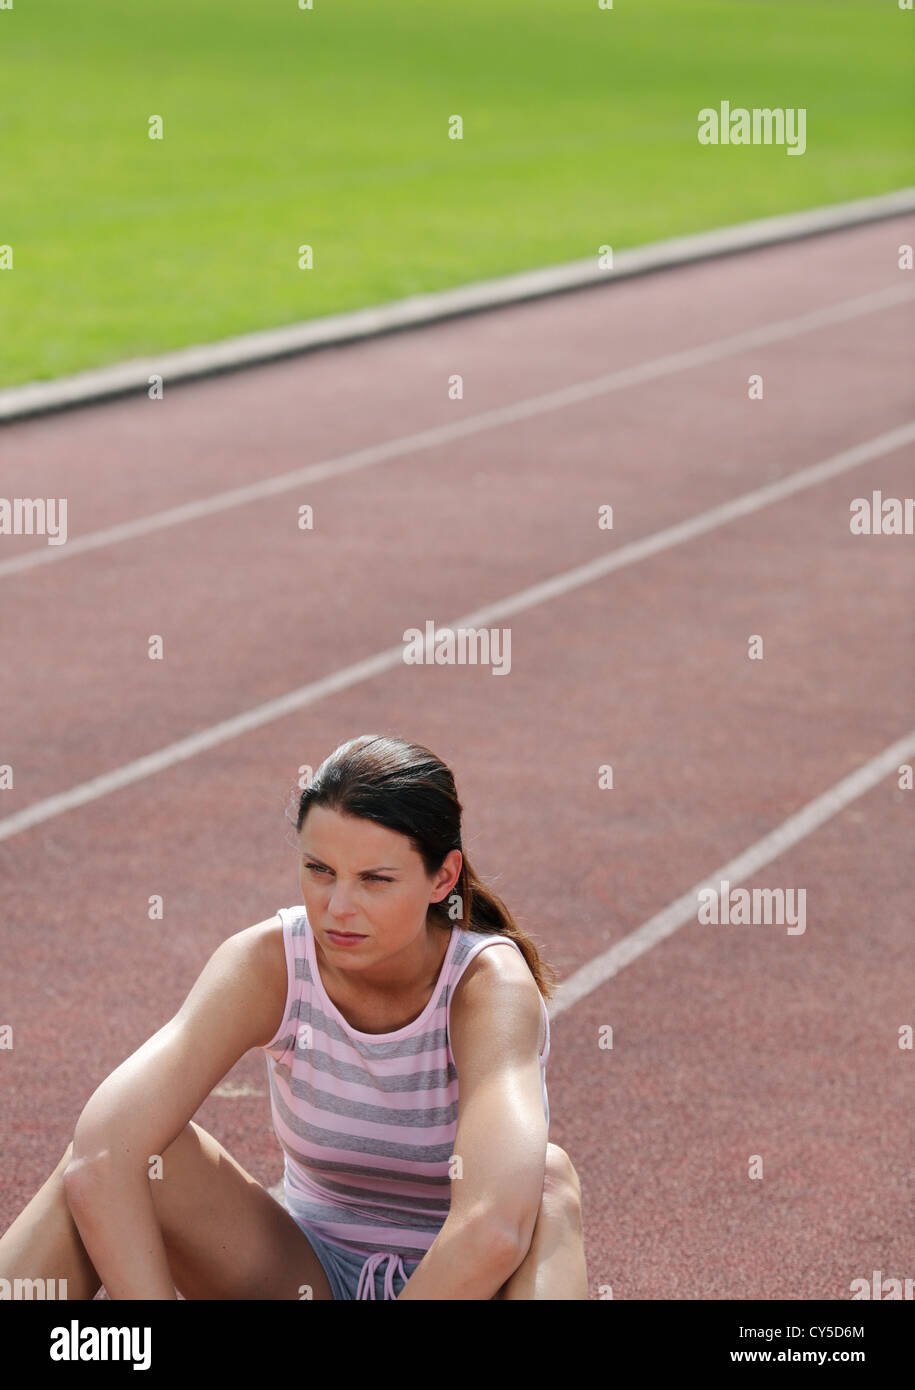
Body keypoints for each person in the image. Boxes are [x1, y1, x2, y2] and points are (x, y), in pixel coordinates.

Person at [0, 734, 588, 1300]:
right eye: (319, 870)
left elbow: (492, 1232)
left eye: (375, 880)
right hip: (306, 1279)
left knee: (545, 1182)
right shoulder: (271, 964)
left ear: (443, 877)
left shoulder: (488, 988)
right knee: (131, 1153)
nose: (338, 908)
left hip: (461, 1288)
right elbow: (101, 1155)